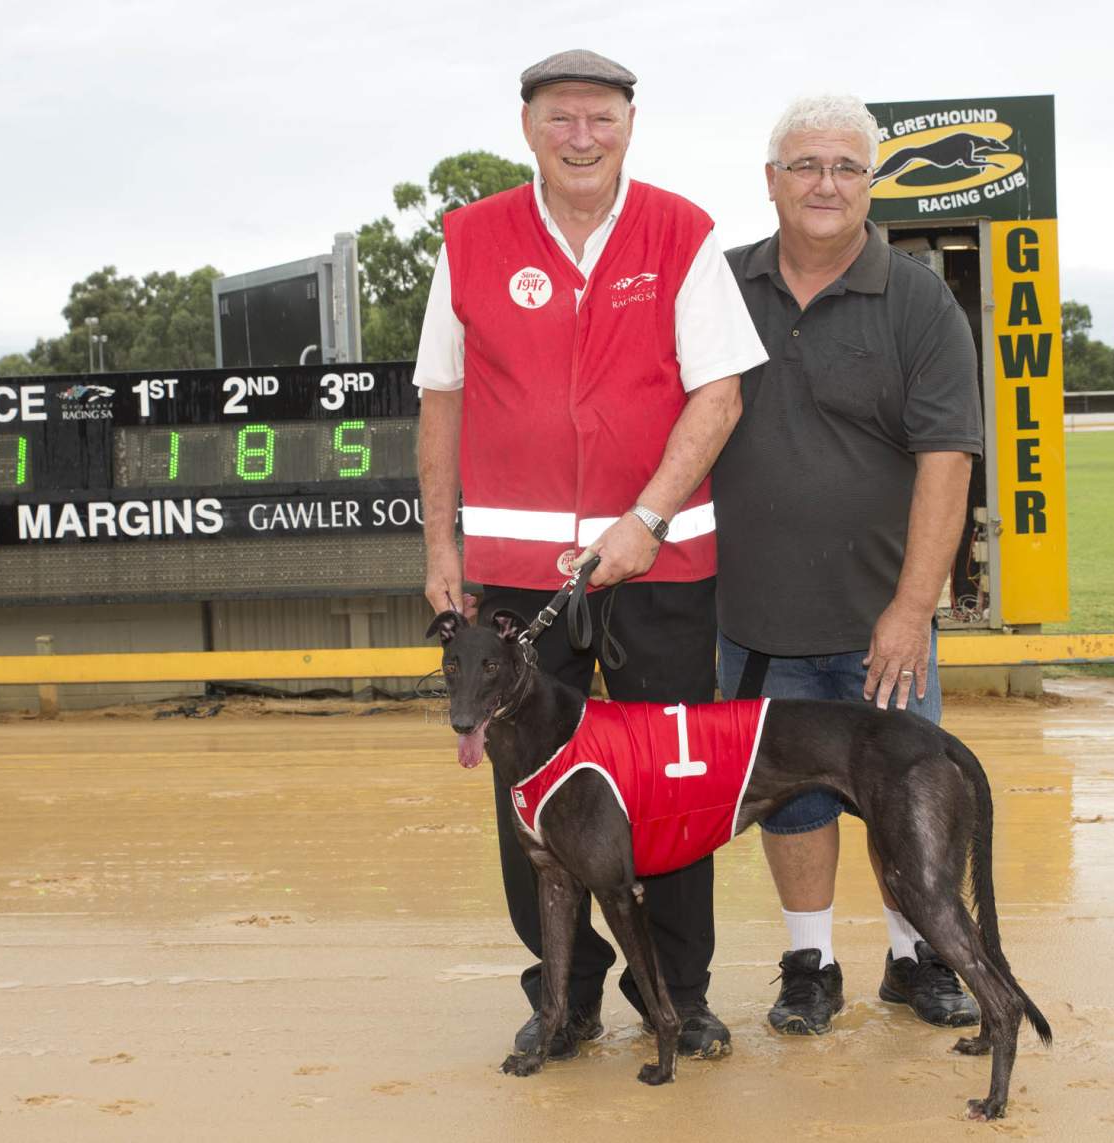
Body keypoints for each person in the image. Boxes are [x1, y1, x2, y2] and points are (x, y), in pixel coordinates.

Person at [414, 49, 767, 1061]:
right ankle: (563, 999)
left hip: (662, 563)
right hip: (518, 580)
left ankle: (681, 997)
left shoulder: (682, 231)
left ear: (629, 126)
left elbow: (720, 394)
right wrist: (439, 542)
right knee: (530, 792)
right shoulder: (469, 239)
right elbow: (440, 400)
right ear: (528, 128)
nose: (582, 137)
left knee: (675, 784)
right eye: (561, 118)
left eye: (601, 117)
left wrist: (646, 517)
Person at [712, 95, 985, 1035]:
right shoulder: (719, 288)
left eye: (845, 167)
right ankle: (810, 965)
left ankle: (916, 960)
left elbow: (948, 460)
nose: (824, 184)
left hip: (882, 621)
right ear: (771, 180)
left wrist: (912, 608)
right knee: (790, 804)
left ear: (871, 182)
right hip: (756, 617)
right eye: (805, 165)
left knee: (907, 798)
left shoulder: (918, 299)